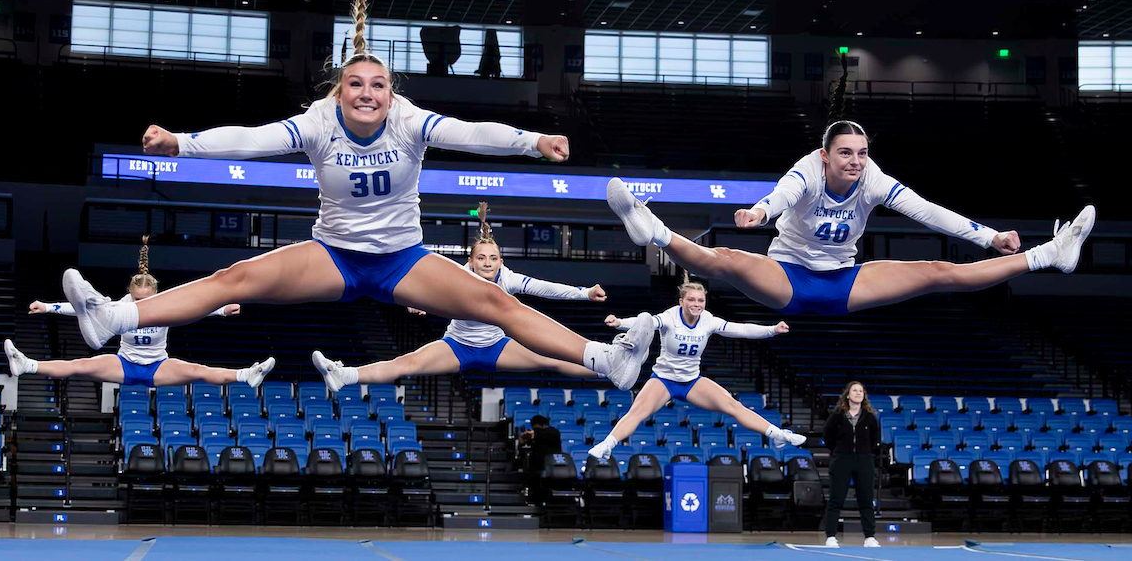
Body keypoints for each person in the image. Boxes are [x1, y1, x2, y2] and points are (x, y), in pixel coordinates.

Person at [60, 0, 654, 390]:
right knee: (236, 275)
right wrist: (181, 144)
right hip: (336, 254)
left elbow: (472, 133)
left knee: (493, 301)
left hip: (402, 258)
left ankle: (606, 361)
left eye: (378, 85)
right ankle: (113, 317)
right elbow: (255, 140)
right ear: (338, 91)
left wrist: (531, 142)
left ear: (391, 93)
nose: (367, 93)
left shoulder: (408, 121)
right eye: (356, 84)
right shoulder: (319, 122)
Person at [605, 56, 1095, 316]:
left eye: (861, 153)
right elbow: (784, 194)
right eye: (846, 153)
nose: (856, 161)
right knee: (727, 261)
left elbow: (925, 211)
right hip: (789, 274)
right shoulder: (809, 170)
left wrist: (988, 237)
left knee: (938, 271)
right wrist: (759, 213)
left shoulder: (873, 177)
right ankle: (652, 230)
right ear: (826, 155)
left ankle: (1049, 255)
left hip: (843, 280)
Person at [313, 203, 607, 391]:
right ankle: (345, 375)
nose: (488, 263)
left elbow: (546, 288)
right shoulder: (457, 274)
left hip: (497, 346)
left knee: (552, 359)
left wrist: (585, 293)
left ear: (501, 261)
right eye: (482, 258)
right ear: (471, 261)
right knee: (408, 364)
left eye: (494, 258)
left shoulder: (509, 278)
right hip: (458, 345)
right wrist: (415, 302)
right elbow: (415, 282)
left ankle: (610, 366)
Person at [5, 237, 275, 389]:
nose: (139, 304)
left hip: (158, 366)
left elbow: (194, 309)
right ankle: (26, 365)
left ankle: (246, 374)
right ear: (130, 293)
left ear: (155, 295)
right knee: (81, 365)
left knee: (197, 370)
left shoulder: (166, 304)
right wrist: (48, 307)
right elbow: (80, 310)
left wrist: (220, 310)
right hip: (125, 363)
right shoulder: (123, 306)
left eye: (145, 300)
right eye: (136, 299)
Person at [588, 274, 805, 461]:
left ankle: (778, 435)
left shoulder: (708, 320)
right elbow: (645, 322)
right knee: (637, 412)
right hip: (664, 380)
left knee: (733, 405)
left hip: (692, 381)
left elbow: (741, 329)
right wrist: (620, 323)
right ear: (681, 301)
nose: (697, 304)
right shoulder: (670, 317)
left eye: (701, 300)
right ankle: (607, 445)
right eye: (691, 299)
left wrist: (772, 330)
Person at [822, 381, 882, 548]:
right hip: (842, 459)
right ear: (848, 394)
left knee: (866, 499)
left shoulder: (870, 417)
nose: (857, 393)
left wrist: (866, 453)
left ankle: (869, 537)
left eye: (861, 391)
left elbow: (875, 440)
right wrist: (840, 451)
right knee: (836, 498)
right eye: (854, 390)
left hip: (864, 460)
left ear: (864, 396)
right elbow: (828, 437)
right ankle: (831, 536)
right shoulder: (836, 416)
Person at [520, 414, 562, 504]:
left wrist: (536, 433)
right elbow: (522, 453)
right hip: (537, 471)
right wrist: (521, 442)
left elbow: (551, 434)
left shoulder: (552, 432)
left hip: (554, 469)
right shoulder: (534, 438)